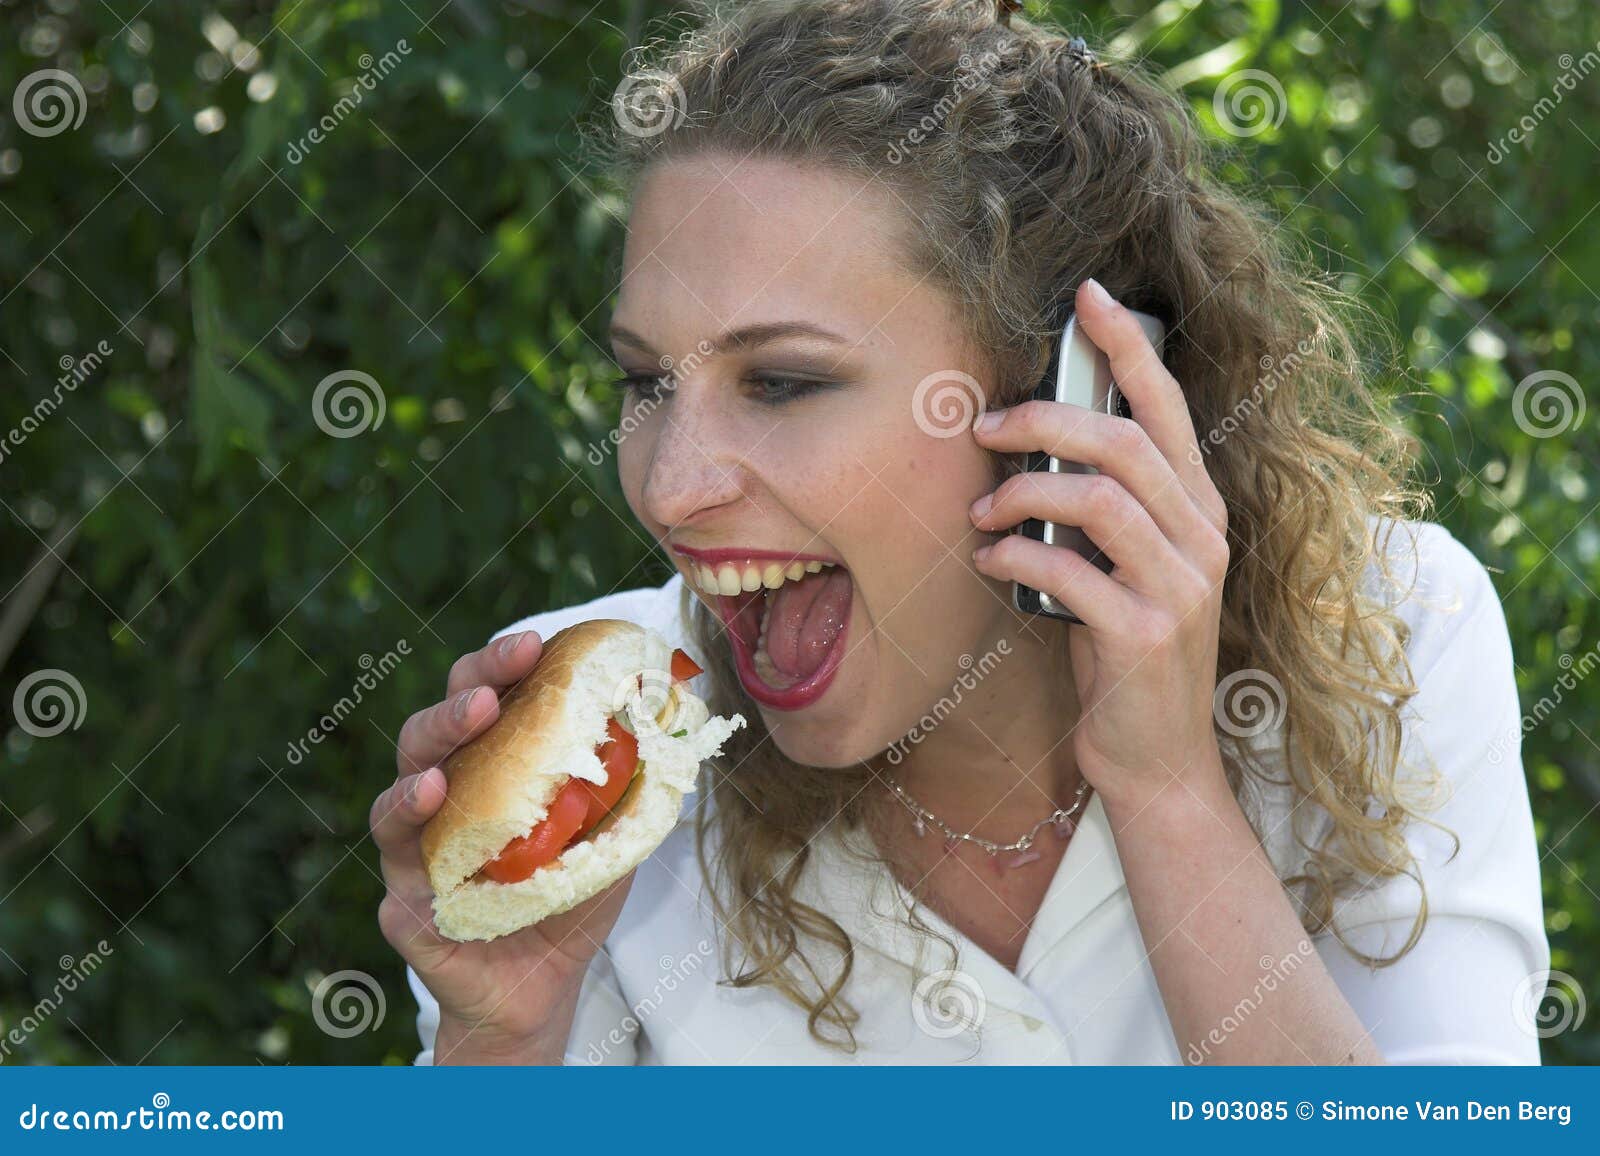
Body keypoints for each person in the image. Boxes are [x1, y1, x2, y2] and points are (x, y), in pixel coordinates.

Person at [369, 0, 1547, 1064]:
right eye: (645, 382)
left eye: (781, 382)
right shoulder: (593, 783)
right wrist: (502, 1038)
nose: (671, 490)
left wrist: (1169, 793)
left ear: (1068, 403)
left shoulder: (1390, 631)